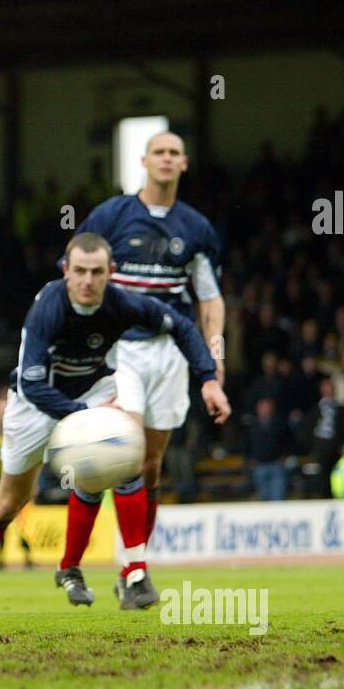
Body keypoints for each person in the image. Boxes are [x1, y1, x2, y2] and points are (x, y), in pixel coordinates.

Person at [0, 233, 229, 615]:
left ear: (111, 272)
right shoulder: (48, 308)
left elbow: (183, 327)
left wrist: (208, 377)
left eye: (96, 272)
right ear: (66, 271)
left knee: (124, 456)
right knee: (9, 501)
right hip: (34, 402)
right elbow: (32, 384)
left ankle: (127, 569)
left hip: (94, 387)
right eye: (79, 272)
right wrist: (81, 415)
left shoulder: (122, 303)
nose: (87, 281)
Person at [72, 132, 226, 606]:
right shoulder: (112, 215)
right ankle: (135, 572)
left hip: (170, 353)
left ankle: (129, 568)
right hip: (120, 351)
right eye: (158, 151)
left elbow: (210, 299)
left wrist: (214, 364)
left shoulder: (196, 228)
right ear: (143, 160)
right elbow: (75, 276)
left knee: (152, 467)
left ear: (185, 163)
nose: (166, 159)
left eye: (174, 153)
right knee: (130, 455)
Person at [0, 386, 34, 570]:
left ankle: (28, 557)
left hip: (17, 480)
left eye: (3, 411)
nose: (0, 415)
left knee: (23, 523)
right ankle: (0, 559)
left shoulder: (18, 434)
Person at [244, 396, 293, 501]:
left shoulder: (280, 424)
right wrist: (249, 460)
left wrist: (284, 456)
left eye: (267, 406)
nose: (265, 409)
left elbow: (289, 442)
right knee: (263, 497)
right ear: (258, 408)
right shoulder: (252, 426)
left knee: (278, 497)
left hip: (277, 465)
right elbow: (245, 445)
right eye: (263, 407)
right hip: (259, 465)